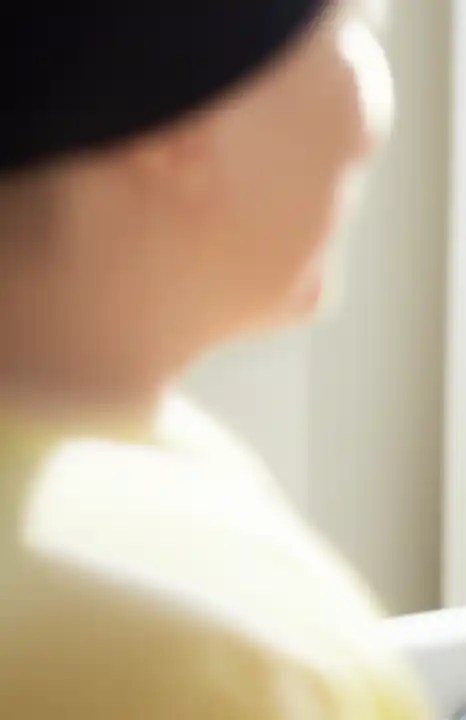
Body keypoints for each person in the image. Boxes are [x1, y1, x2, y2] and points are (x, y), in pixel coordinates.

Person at [0, 2, 428, 717]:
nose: (374, 121)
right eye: (354, 25)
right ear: (174, 100)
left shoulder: (155, 455)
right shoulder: (196, 655)